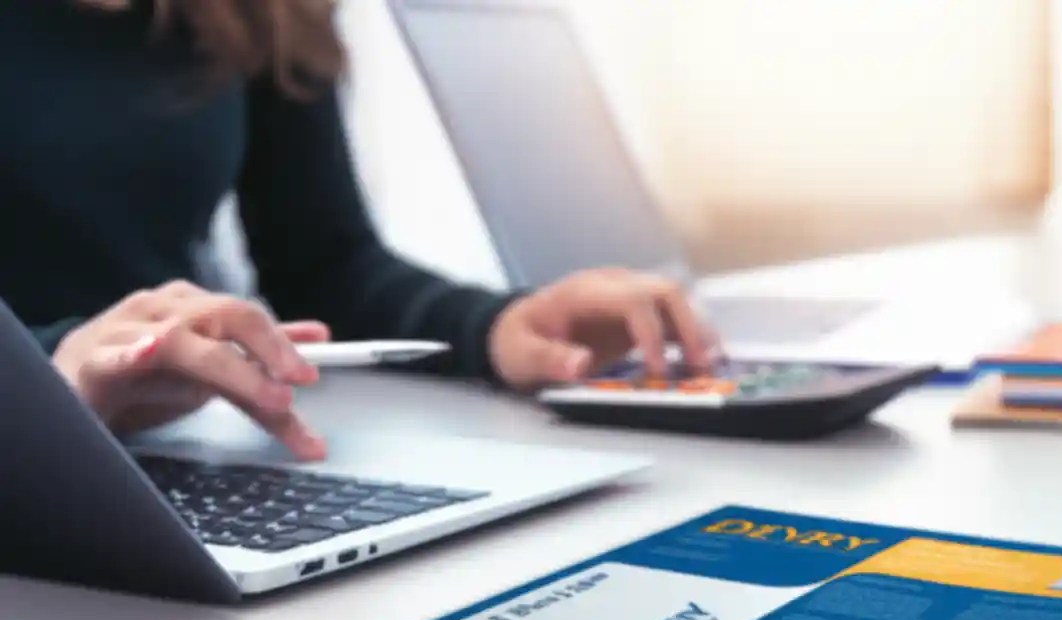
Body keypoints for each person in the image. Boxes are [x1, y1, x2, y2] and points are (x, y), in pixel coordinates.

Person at [0, 0, 712, 461]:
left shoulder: (265, 14)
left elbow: (323, 263)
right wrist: (52, 371)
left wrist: (498, 326)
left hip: (165, 463)